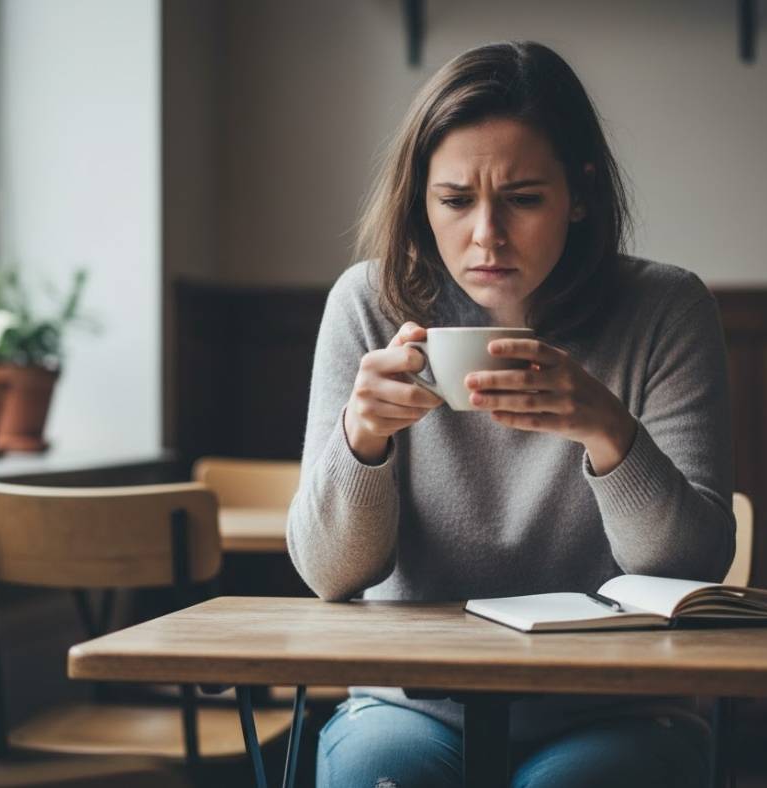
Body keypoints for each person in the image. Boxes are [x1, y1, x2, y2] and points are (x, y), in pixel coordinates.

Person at [286, 41, 734, 788]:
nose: (486, 234)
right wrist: (360, 443)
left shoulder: (665, 311)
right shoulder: (367, 305)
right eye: (455, 200)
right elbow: (330, 577)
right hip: (408, 703)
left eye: (523, 199)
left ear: (580, 193)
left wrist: (609, 434)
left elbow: (693, 567)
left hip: (613, 705)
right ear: (420, 200)